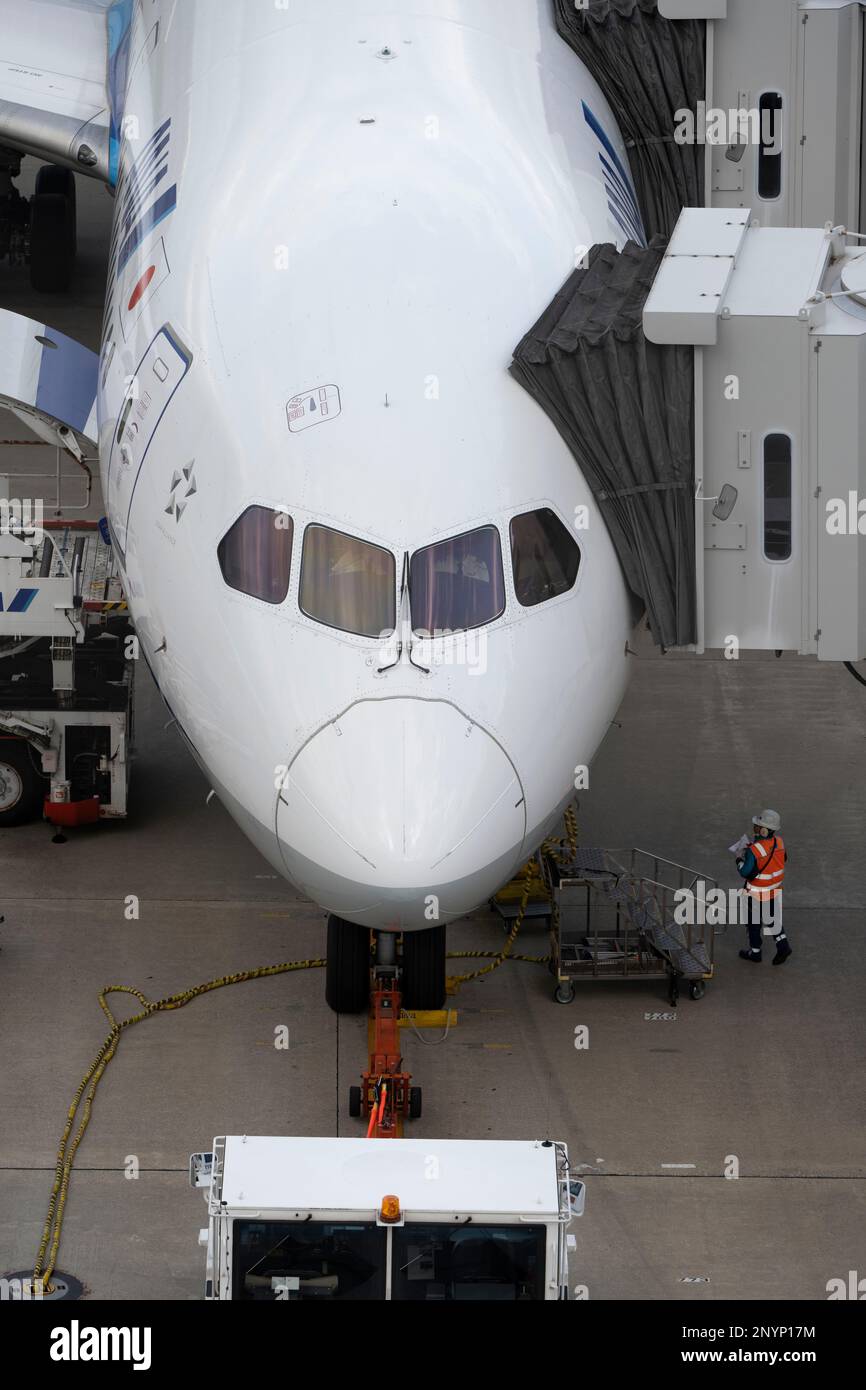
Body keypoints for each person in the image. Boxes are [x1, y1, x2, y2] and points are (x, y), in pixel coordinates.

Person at [737, 810, 791, 965]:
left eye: (757, 826)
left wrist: (739, 859)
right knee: (772, 919)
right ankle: (783, 945)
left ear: (763, 830)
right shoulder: (779, 842)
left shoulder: (754, 850)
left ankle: (755, 953)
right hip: (773, 890)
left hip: (755, 893)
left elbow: (745, 872)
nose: (754, 828)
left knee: (753, 924)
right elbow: (782, 858)